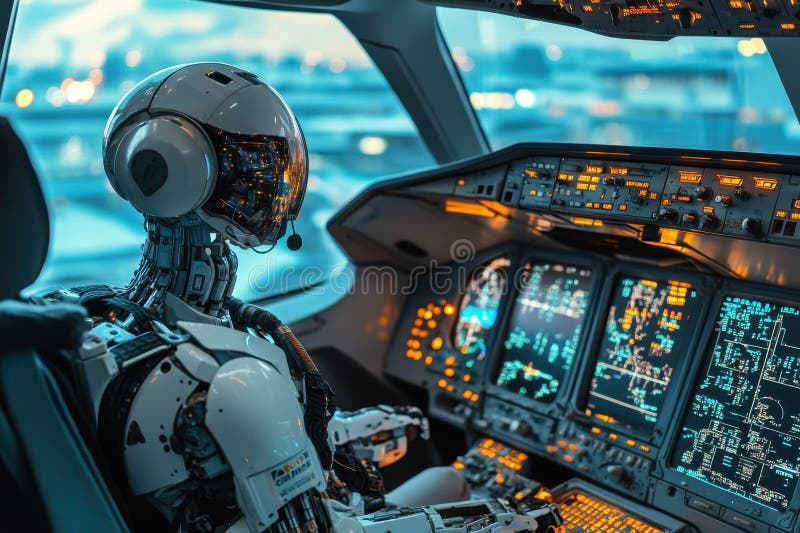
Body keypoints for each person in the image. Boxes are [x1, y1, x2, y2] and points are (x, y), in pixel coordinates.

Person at [49, 63, 561, 532]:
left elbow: (235, 448)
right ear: (185, 170)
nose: (275, 188)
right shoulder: (232, 378)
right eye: (258, 167)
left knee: (447, 479)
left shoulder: (91, 318)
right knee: (458, 485)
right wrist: (502, 523)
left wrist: (344, 431)